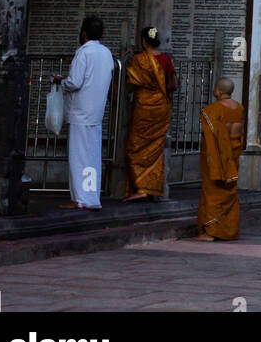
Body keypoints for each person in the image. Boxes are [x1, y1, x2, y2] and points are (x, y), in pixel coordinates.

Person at [52, 15, 114, 211]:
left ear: (84, 33)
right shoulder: (106, 53)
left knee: (78, 157)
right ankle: (91, 198)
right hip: (95, 112)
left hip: (80, 112)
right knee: (92, 156)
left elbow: (75, 82)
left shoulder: (83, 53)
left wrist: (60, 81)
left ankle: (80, 199)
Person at [124, 26, 178, 202]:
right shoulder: (166, 59)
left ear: (143, 41)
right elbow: (173, 84)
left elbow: (131, 83)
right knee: (155, 150)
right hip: (161, 108)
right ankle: (150, 188)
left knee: (134, 148)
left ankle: (140, 187)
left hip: (143, 108)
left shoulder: (138, 59)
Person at [197, 77, 245, 241]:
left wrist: (213, 157)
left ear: (218, 90)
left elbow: (212, 138)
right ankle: (230, 230)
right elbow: (239, 132)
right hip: (233, 152)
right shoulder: (240, 108)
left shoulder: (211, 110)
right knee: (229, 190)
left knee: (213, 191)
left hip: (217, 156)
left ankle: (211, 232)